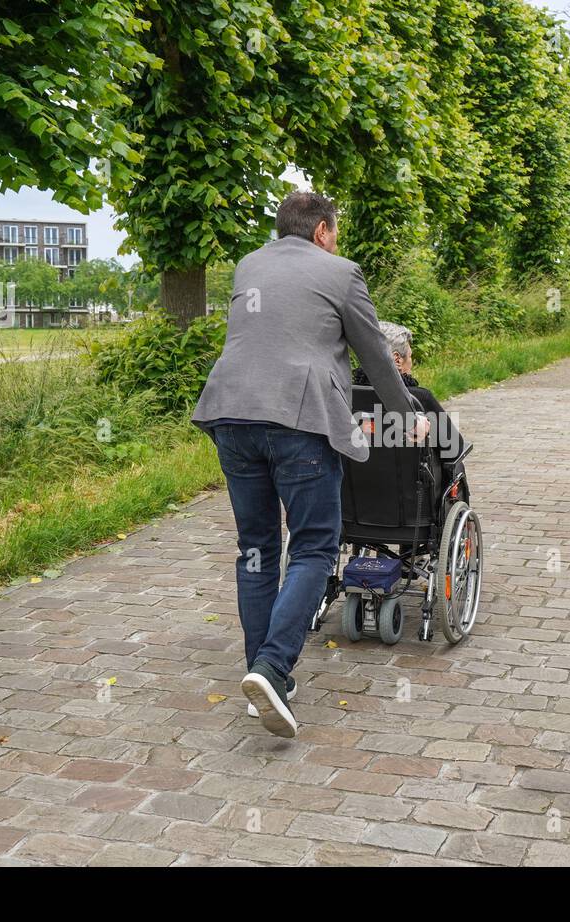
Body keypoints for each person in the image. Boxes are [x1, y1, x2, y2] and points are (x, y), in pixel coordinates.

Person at [191, 191, 429, 739]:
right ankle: (272, 667)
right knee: (316, 547)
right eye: (336, 231)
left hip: (230, 411)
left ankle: (265, 672)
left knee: (255, 545)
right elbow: (374, 351)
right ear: (322, 230)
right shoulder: (342, 273)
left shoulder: (248, 265)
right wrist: (408, 413)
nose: (337, 240)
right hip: (299, 420)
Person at [350, 322, 468, 497]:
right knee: (456, 464)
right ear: (397, 360)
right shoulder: (419, 399)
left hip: (357, 504)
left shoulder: (347, 395)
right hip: (413, 508)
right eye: (410, 357)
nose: (411, 363)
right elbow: (454, 447)